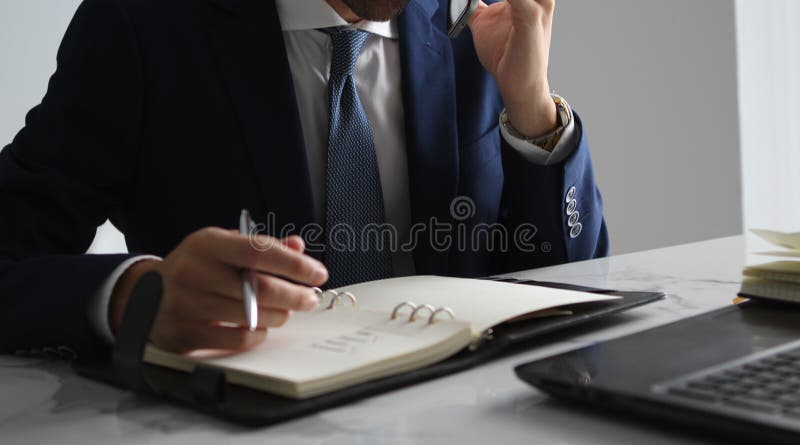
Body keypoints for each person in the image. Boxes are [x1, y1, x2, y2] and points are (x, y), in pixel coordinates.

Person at [0, 0, 608, 358]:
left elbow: (570, 293)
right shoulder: (141, 25)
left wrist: (533, 110)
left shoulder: (472, 30)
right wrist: (134, 298)